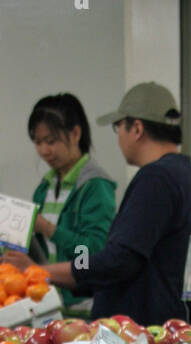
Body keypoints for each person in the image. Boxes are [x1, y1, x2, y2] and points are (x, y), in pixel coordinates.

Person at [12, 83, 191, 327]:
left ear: (136, 128)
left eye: (118, 128)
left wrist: (42, 270)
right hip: (156, 322)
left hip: (141, 328)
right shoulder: (181, 171)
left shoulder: (154, 178)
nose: (44, 150)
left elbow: (116, 259)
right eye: (38, 142)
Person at [25, 94, 116, 310]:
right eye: (38, 142)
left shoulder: (94, 186)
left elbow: (90, 251)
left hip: (83, 305)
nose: (44, 151)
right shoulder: (45, 187)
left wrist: (48, 229)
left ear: (75, 134)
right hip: (50, 303)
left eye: (51, 141)